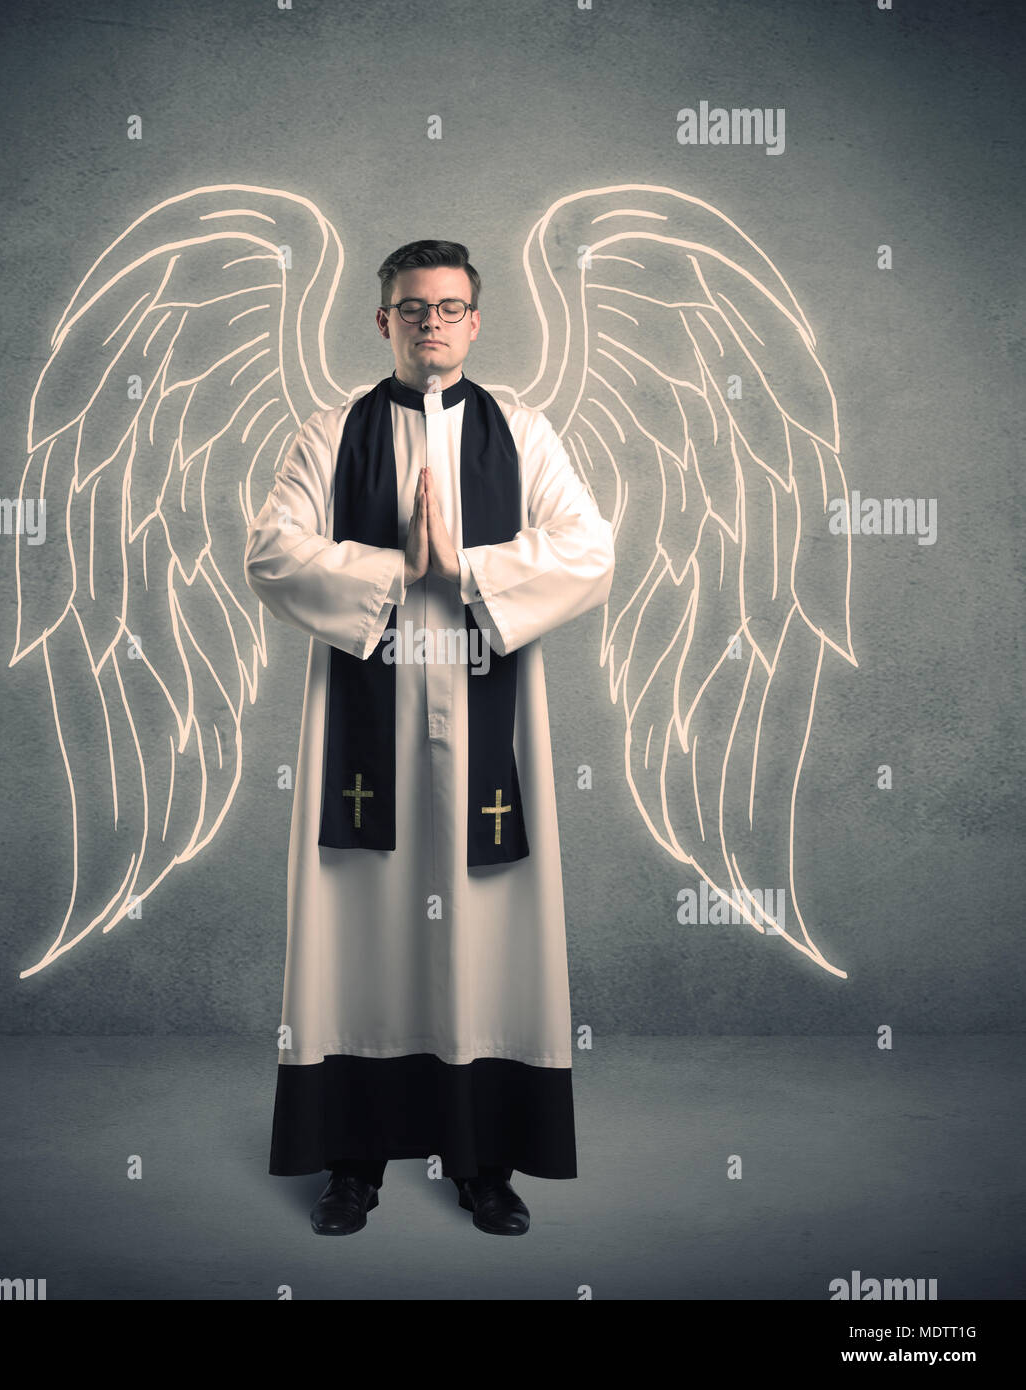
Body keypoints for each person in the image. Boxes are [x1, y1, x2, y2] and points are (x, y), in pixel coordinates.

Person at [243, 239, 615, 1235]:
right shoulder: (331, 432)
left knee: (487, 933)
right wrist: (392, 571)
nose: (432, 322)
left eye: (450, 307)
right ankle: (352, 1162)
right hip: (366, 727)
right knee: (358, 930)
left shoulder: (523, 432)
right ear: (383, 321)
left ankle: (484, 1161)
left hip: (488, 716)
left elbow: (589, 550)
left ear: (475, 320)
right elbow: (271, 551)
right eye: (412, 308)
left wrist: (469, 567)